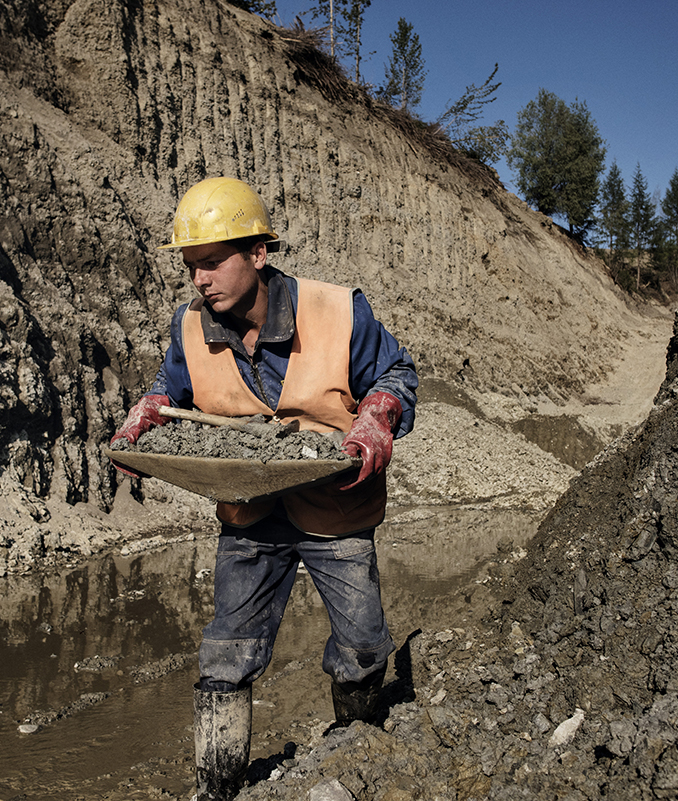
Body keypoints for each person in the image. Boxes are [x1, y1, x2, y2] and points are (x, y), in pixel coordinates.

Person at [110, 177, 417, 801]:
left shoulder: (335, 310)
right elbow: (172, 392)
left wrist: (376, 414)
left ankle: (353, 756)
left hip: (335, 503)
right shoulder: (192, 326)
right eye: (192, 266)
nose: (200, 280)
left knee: (361, 646)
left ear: (257, 254)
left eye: (213, 262)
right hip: (250, 511)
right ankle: (218, 787)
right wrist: (146, 412)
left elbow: (396, 370)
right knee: (226, 654)